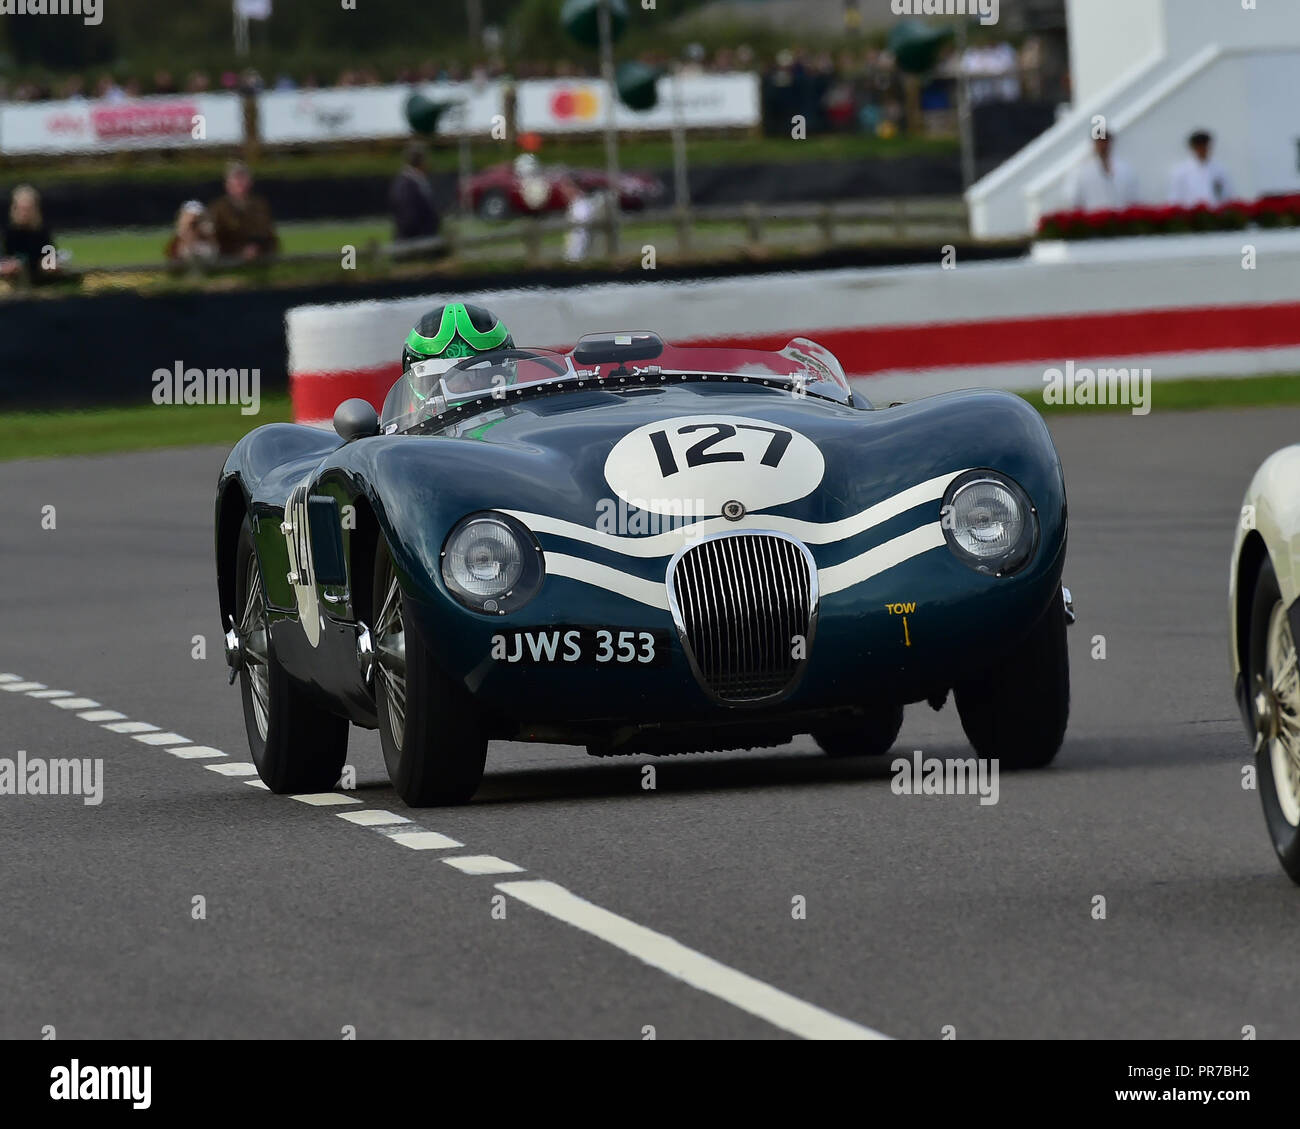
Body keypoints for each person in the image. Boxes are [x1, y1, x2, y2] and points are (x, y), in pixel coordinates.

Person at [385, 303, 516, 430]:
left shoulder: (527, 424)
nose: (465, 386)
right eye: (451, 379)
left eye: (475, 375)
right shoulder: (405, 440)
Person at [209, 161, 280, 260]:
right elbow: (214, 237)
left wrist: (257, 249)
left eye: (243, 178)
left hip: (259, 259)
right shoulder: (218, 208)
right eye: (236, 178)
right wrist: (239, 252)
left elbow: (267, 234)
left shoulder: (260, 205)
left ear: (250, 182)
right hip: (228, 259)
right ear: (227, 183)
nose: (240, 182)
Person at [1, 185, 61, 286]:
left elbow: (51, 257)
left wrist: (49, 265)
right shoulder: (7, 233)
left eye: (28, 209)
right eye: (21, 209)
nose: (24, 213)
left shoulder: (41, 232)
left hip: (40, 283)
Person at [1069, 132, 1140, 212]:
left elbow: (1132, 195)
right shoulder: (1082, 171)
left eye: (1105, 141)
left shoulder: (1124, 169)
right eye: (1099, 142)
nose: (1103, 145)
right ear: (1094, 144)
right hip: (1095, 218)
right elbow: (1076, 200)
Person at [1168, 130, 1235, 208]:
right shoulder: (1181, 171)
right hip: (1190, 216)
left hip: (1216, 216)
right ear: (1193, 148)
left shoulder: (1220, 170)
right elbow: (1174, 198)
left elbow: (1229, 194)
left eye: (1205, 145)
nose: (1202, 149)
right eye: (1199, 146)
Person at [389, 142, 441, 242]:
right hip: (413, 242)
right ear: (421, 161)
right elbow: (408, 218)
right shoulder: (406, 184)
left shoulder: (413, 181)